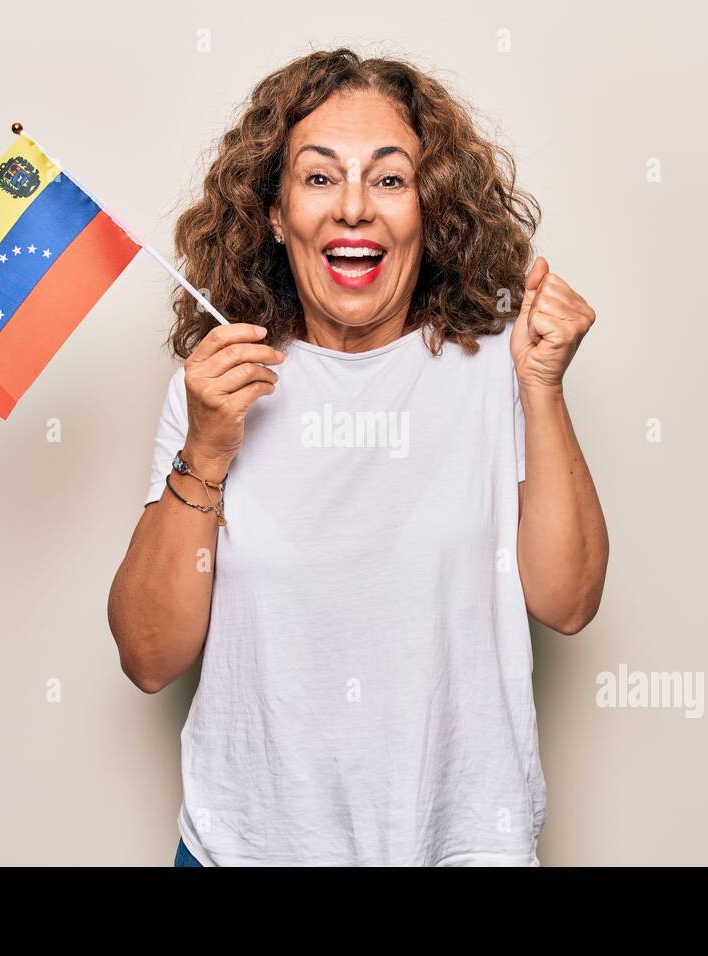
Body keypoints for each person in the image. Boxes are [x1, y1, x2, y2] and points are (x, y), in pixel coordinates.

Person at [107, 48, 609, 866]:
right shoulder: (219, 389)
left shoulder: (499, 373)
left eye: (388, 179)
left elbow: (570, 602)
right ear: (273, 214)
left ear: (429, 208)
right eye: (316, 178)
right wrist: (204, 449)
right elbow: (148, 657)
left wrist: (544, 387)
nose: (352, 210)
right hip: (246, 850)